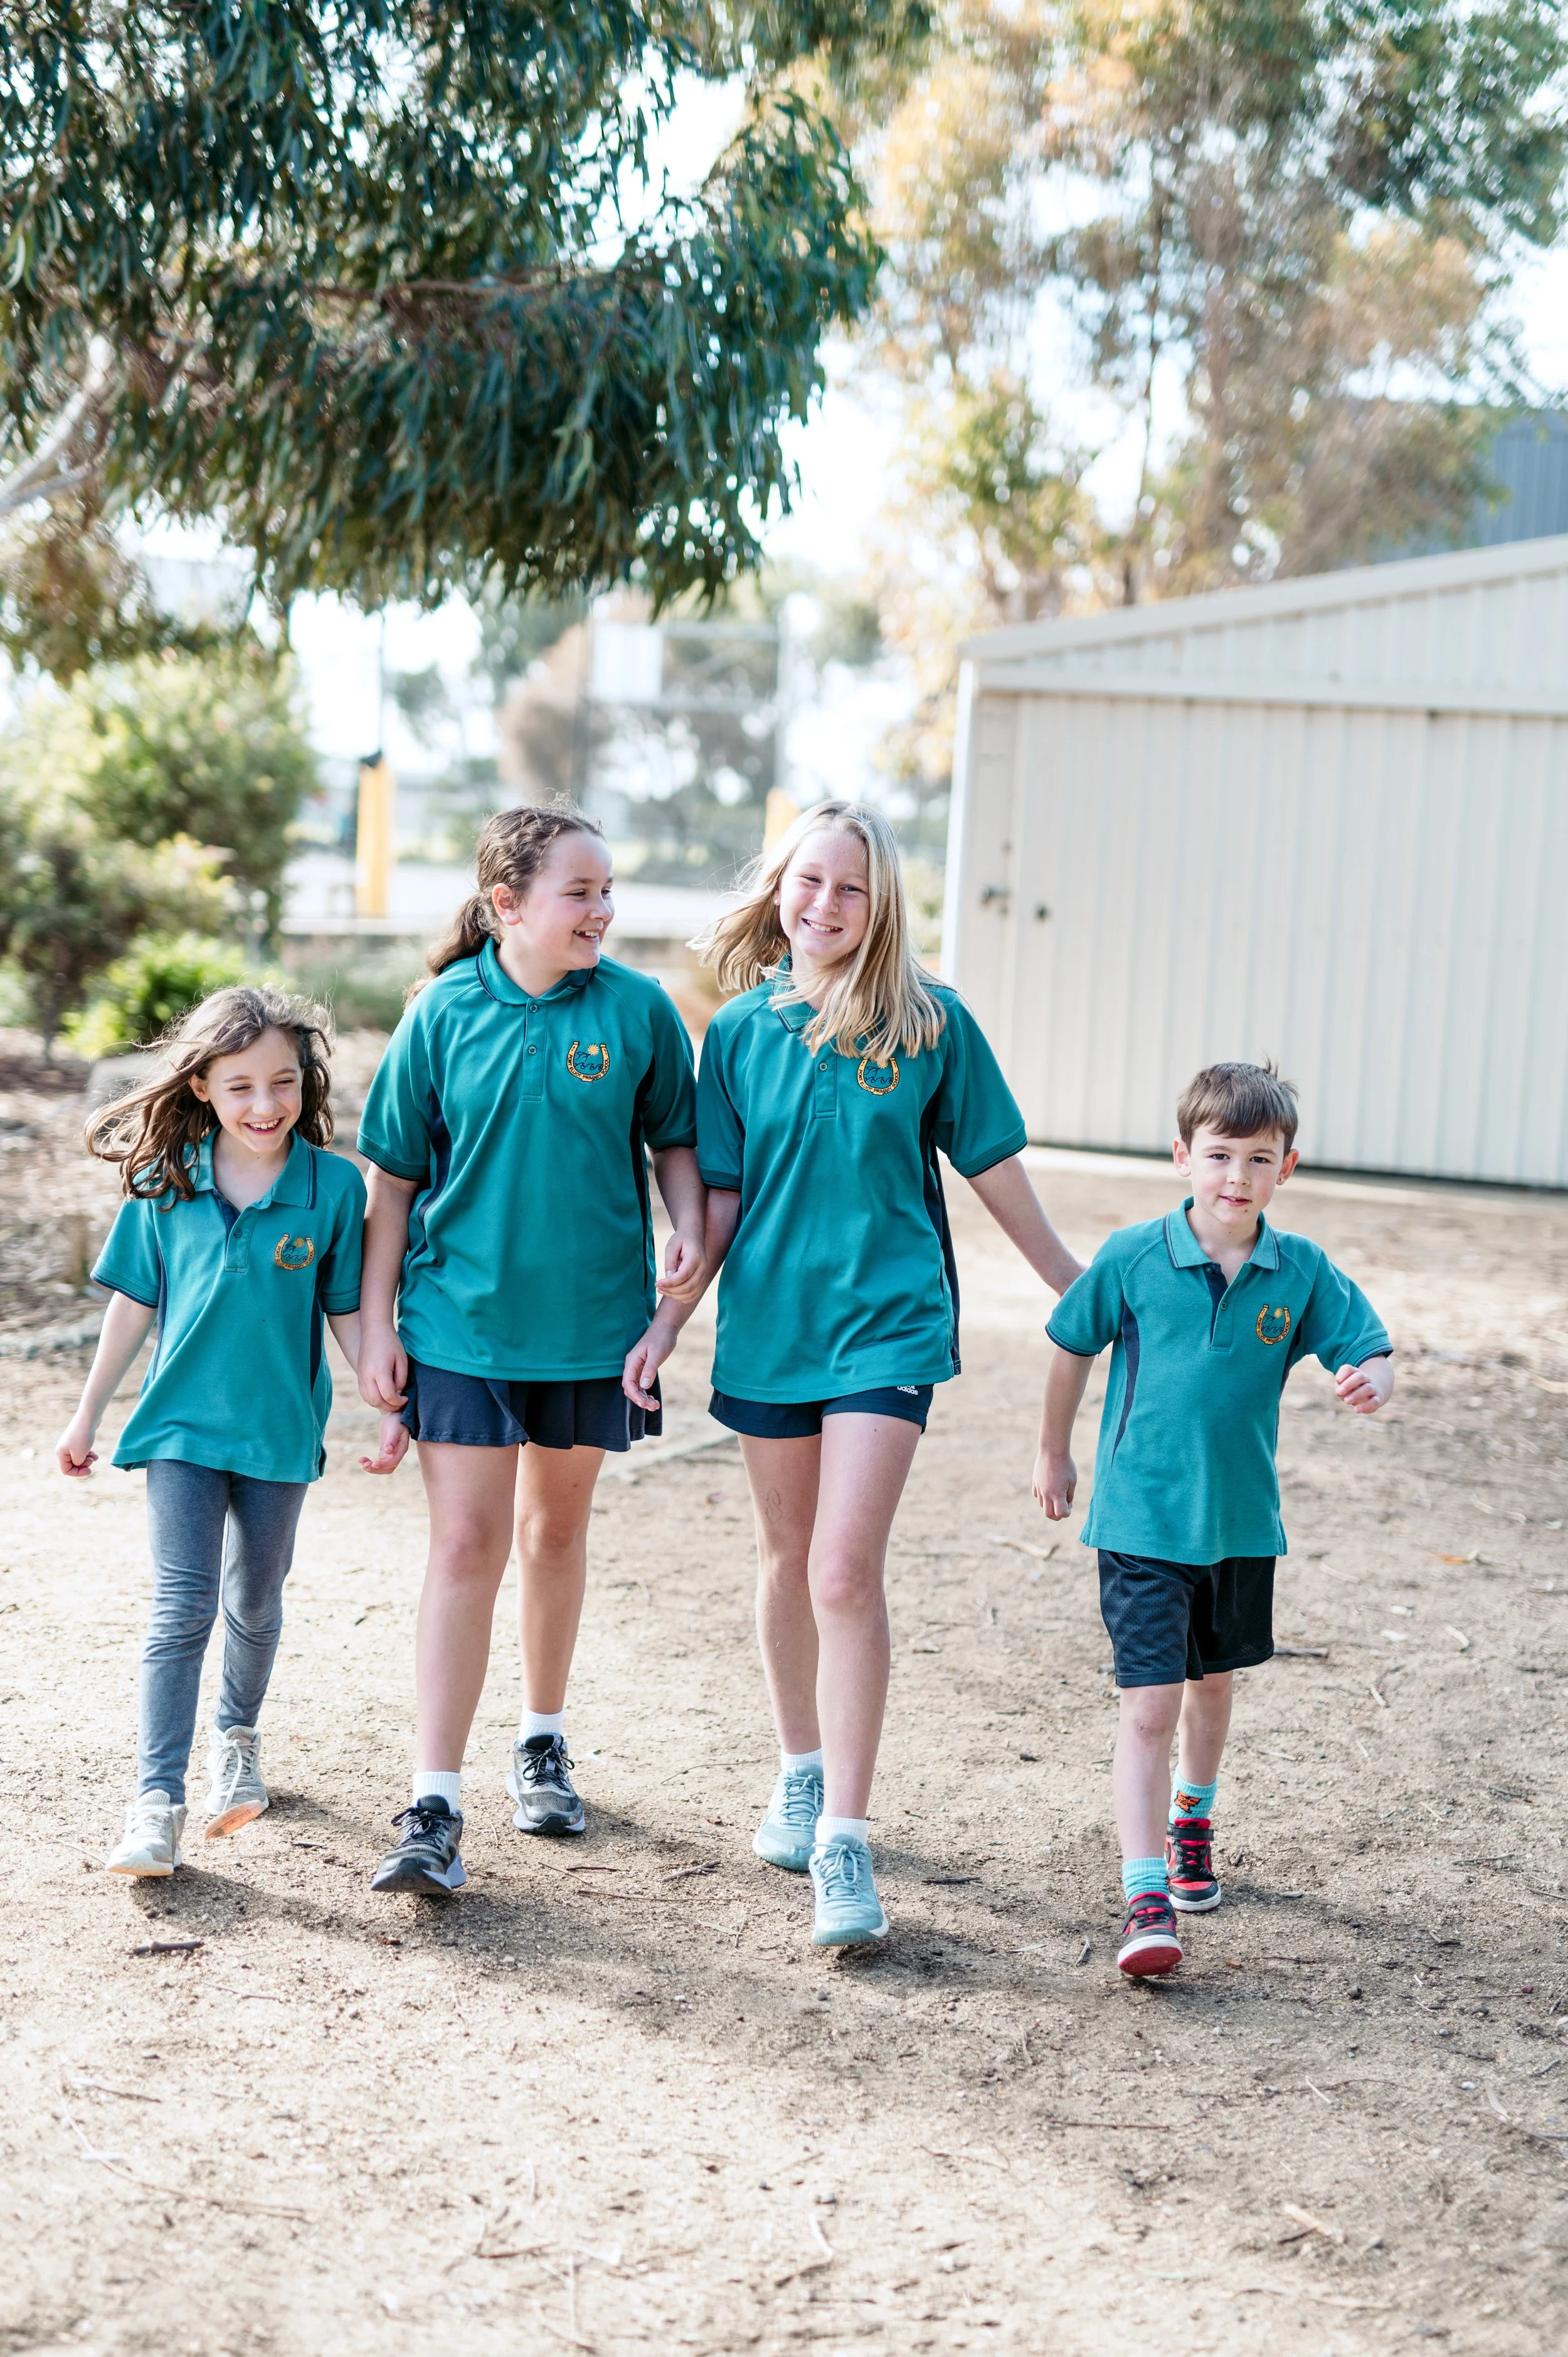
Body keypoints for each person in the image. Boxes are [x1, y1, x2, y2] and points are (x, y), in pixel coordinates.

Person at [624, 800, 1081, 1948]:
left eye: (850, 890)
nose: (823, 906)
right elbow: (719, 1202)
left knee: (841, 1567)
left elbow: (995, 1169)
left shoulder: (931, 1024)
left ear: (882, 910)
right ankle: (799, 1767)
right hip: (772, 1325)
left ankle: (845, 1838)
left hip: (887, 1322)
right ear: (780, 886)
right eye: (807, 882)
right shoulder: (733, 1034)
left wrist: (1078, 1283)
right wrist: (670, 1319)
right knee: (785, 1560)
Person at [356, 803, 704, 1899]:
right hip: (459, 1326)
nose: (603, 909)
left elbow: (675, 1145)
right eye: (580, 891)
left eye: (609, 890)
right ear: (508, 905)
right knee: (466, 1543)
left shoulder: (642, 1011)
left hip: (593, 1330)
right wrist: (375, 1328)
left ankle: (541, 1741)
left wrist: (683, 1222)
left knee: (554, 1533)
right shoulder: (442, 1015)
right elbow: (392, 1187)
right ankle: (435, 1800)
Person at [1034, 1061, 1394, 1978]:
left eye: (1259, 1158)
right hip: (1141, 1521)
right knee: (1149, 1704)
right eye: (1219, 1154)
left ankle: (1193, 1814)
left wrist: (1373, 1379)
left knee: (1214, 1688)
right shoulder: (1132, 1256)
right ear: (1182, 1155)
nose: (1237, 1176)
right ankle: (1146, 1891)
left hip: (1238, 1525)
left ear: (1289, 1166)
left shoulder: (1298, 1268)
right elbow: (1072, 1348)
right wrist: (1054, 1451)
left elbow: (1369, 1344)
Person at [56, 987, 374, 1877]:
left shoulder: (333, 1186)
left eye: (282, 1083)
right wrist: (87, 1414)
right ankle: (154, 1801)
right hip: (181, 1431)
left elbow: (347, 1313)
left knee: (257, 1599)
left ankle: (236, 1735)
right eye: (239, 1087)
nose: (265, 1105)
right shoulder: (167, 1180)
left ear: (304, 1083)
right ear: (200, 1085)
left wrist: (389, 1407)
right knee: (180, 1608)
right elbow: (131, 1307)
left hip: (278, 1433)